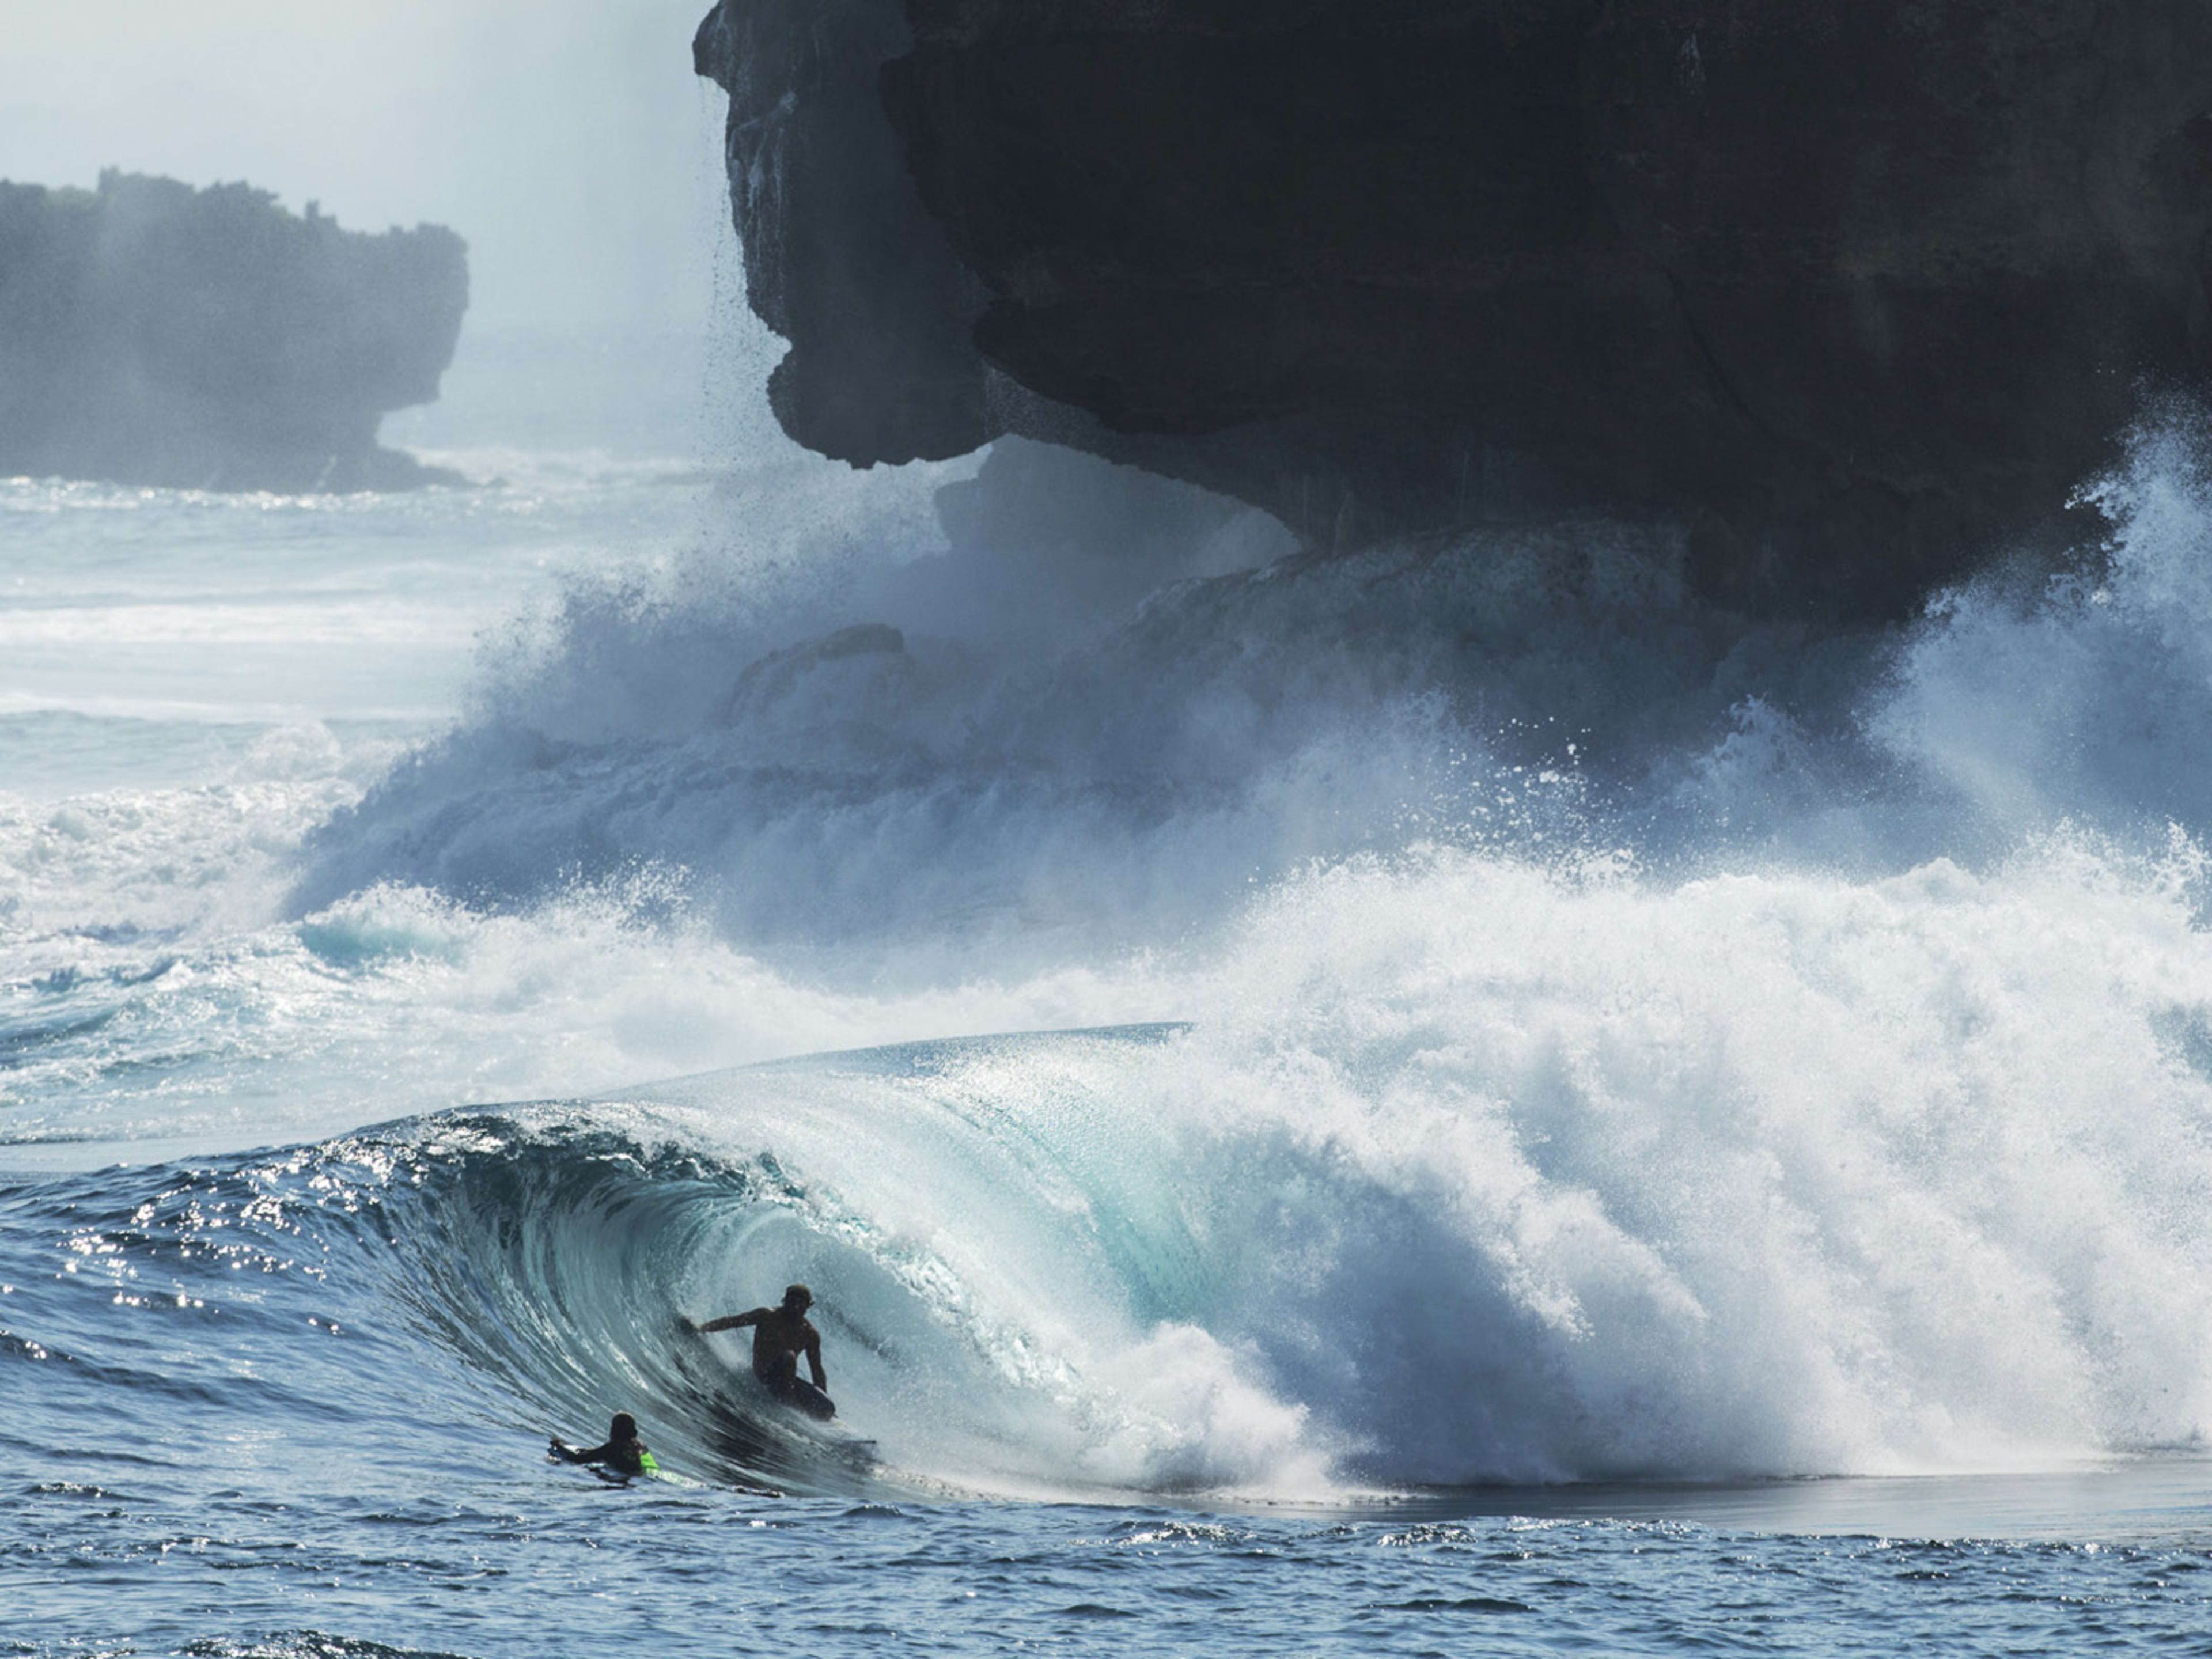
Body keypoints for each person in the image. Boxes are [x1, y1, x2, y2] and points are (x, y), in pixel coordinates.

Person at [685, 1283, 837, 1419]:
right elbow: (731, 1322)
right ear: (785, 1301)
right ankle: (788, 1403)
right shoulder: (767, 1316)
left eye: (800, 1304)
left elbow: (817, 1370)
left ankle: (807, 1408)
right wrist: (702, 1328)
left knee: (827, 1408)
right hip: (764, 1373)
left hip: (786, 1379)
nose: (795, 1307)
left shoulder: (810, 1334)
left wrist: (824, 1396)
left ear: (807, 1307)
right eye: (792, 1302)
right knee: (789, 1357)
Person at [550, 1410, 659, 1478]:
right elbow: (602, 1452)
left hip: (620, 1479)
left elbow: (577, 1459)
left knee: (592, 1471)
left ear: (615, 1429)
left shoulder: (613, 1448)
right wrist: (588, 1450)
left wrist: (559, 1446)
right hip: (637, 1478)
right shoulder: (639, 1445)